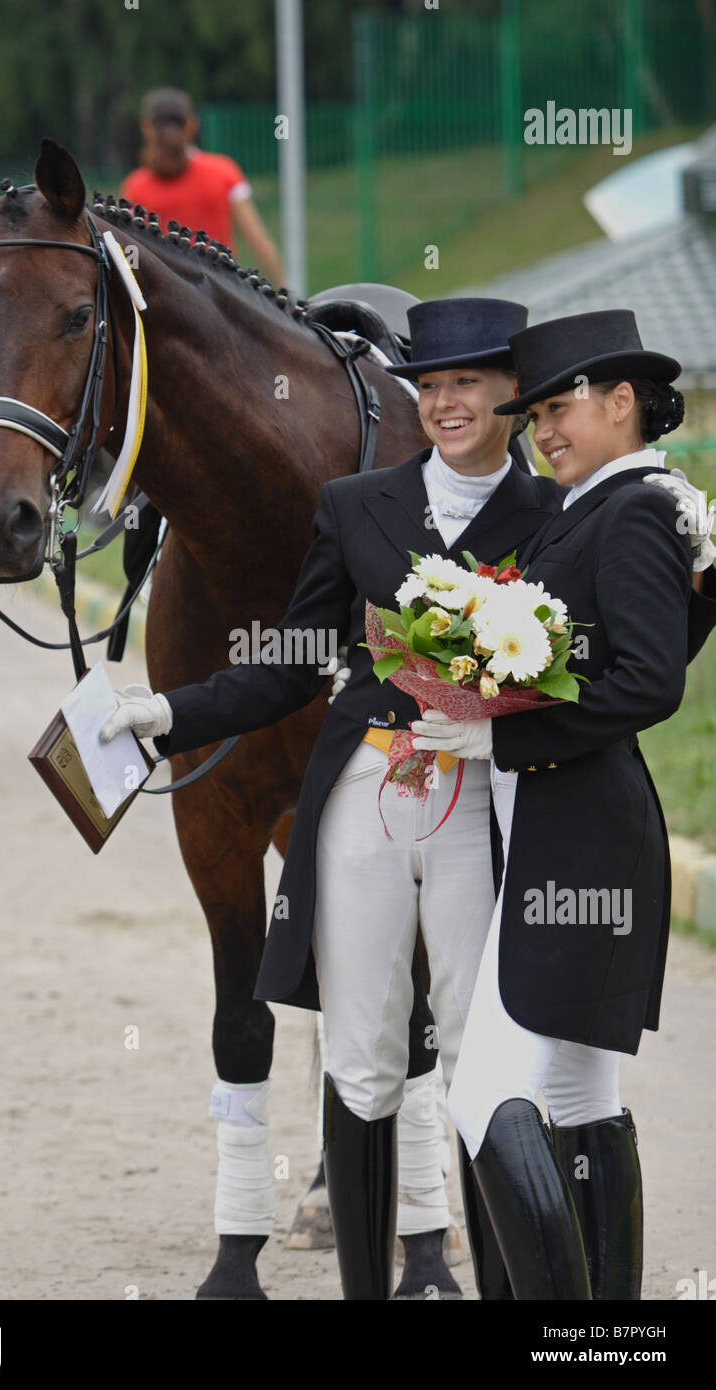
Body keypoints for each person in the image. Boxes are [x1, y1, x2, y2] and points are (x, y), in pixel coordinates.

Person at [99, 299, 716, 1299]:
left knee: (490, 1062)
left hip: (491, 803)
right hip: (370, 793)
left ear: (508, 403)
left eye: (466, 384)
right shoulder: (353, 504)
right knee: (365, 1055)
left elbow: (626, 647)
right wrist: (168, 711)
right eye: (425, 387)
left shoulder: (561, 507)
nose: (442, 404)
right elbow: (293, 664)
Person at [414, 309, 712, 1299]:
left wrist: (498, 733)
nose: (540, 429)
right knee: (583, 1093)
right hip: (572, 826)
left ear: (620, 401)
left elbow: (647, 683)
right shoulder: (601, 504)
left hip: (582, 835)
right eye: (530, 412)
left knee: (482, 1089)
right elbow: (634, 650)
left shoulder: (632, 507)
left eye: (557, 407)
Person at [120, 88, 283, 284]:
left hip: (164, 299)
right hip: (223, 294)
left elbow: (129, 257)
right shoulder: (224, 171)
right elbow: (260, 242)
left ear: (146, 128)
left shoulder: (135, 187)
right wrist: (287, 297)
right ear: (192, 125)